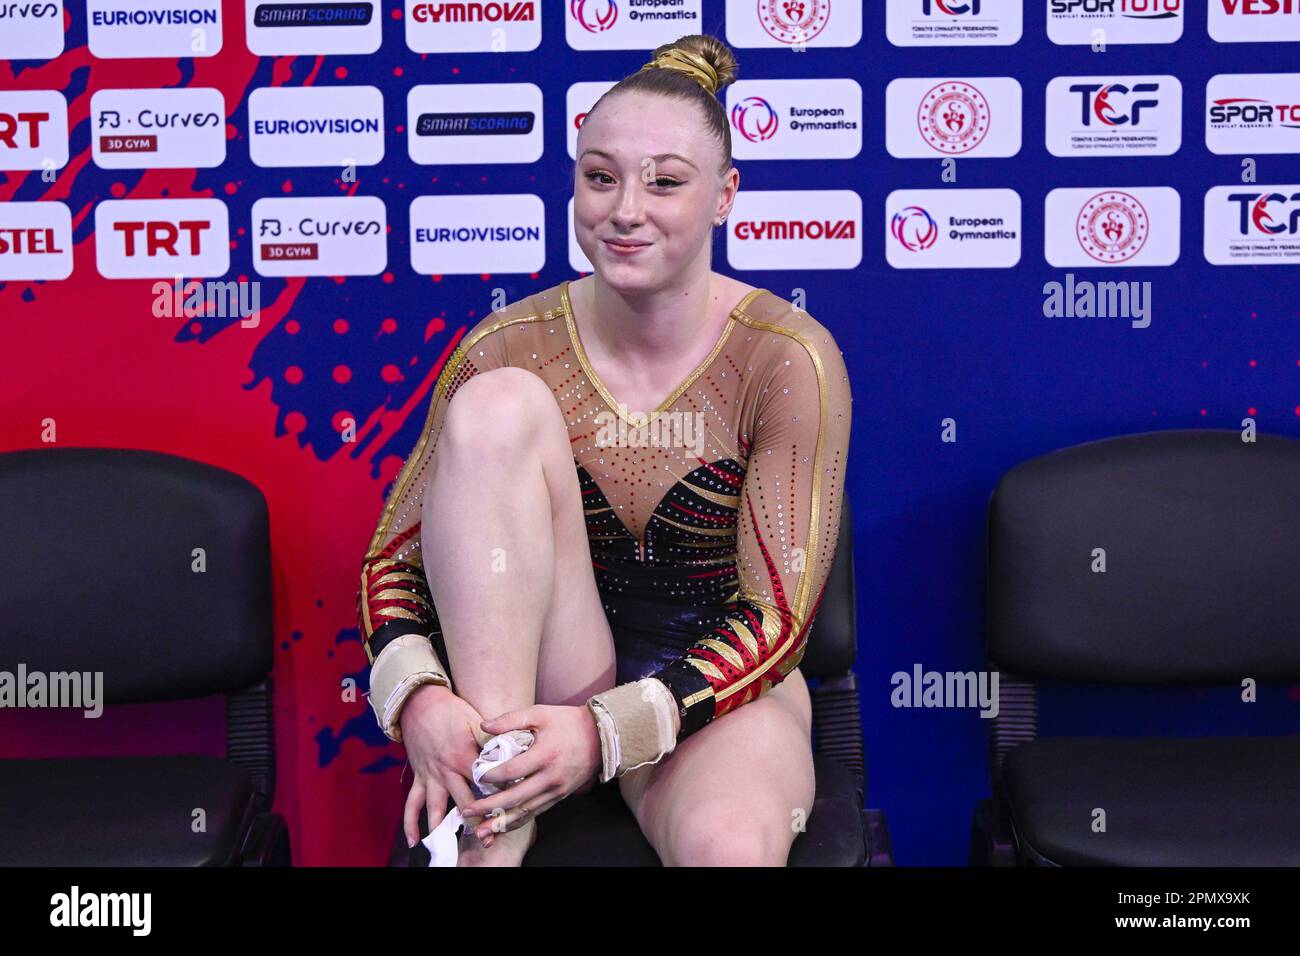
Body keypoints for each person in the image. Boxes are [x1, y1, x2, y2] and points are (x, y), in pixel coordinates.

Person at [357, 33, 853, 866]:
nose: (625, 209)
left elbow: (779, 619)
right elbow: (390, 562)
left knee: (728, 847)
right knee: (499, 403)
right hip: (542, 674)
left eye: (665, 182)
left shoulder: (786, 357)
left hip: (713, 690)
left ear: (726, 195)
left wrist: (604, 734)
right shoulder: (506, 346)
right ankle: (495, 814)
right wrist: (420, 698)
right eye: (599, 177)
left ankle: (516, 781)